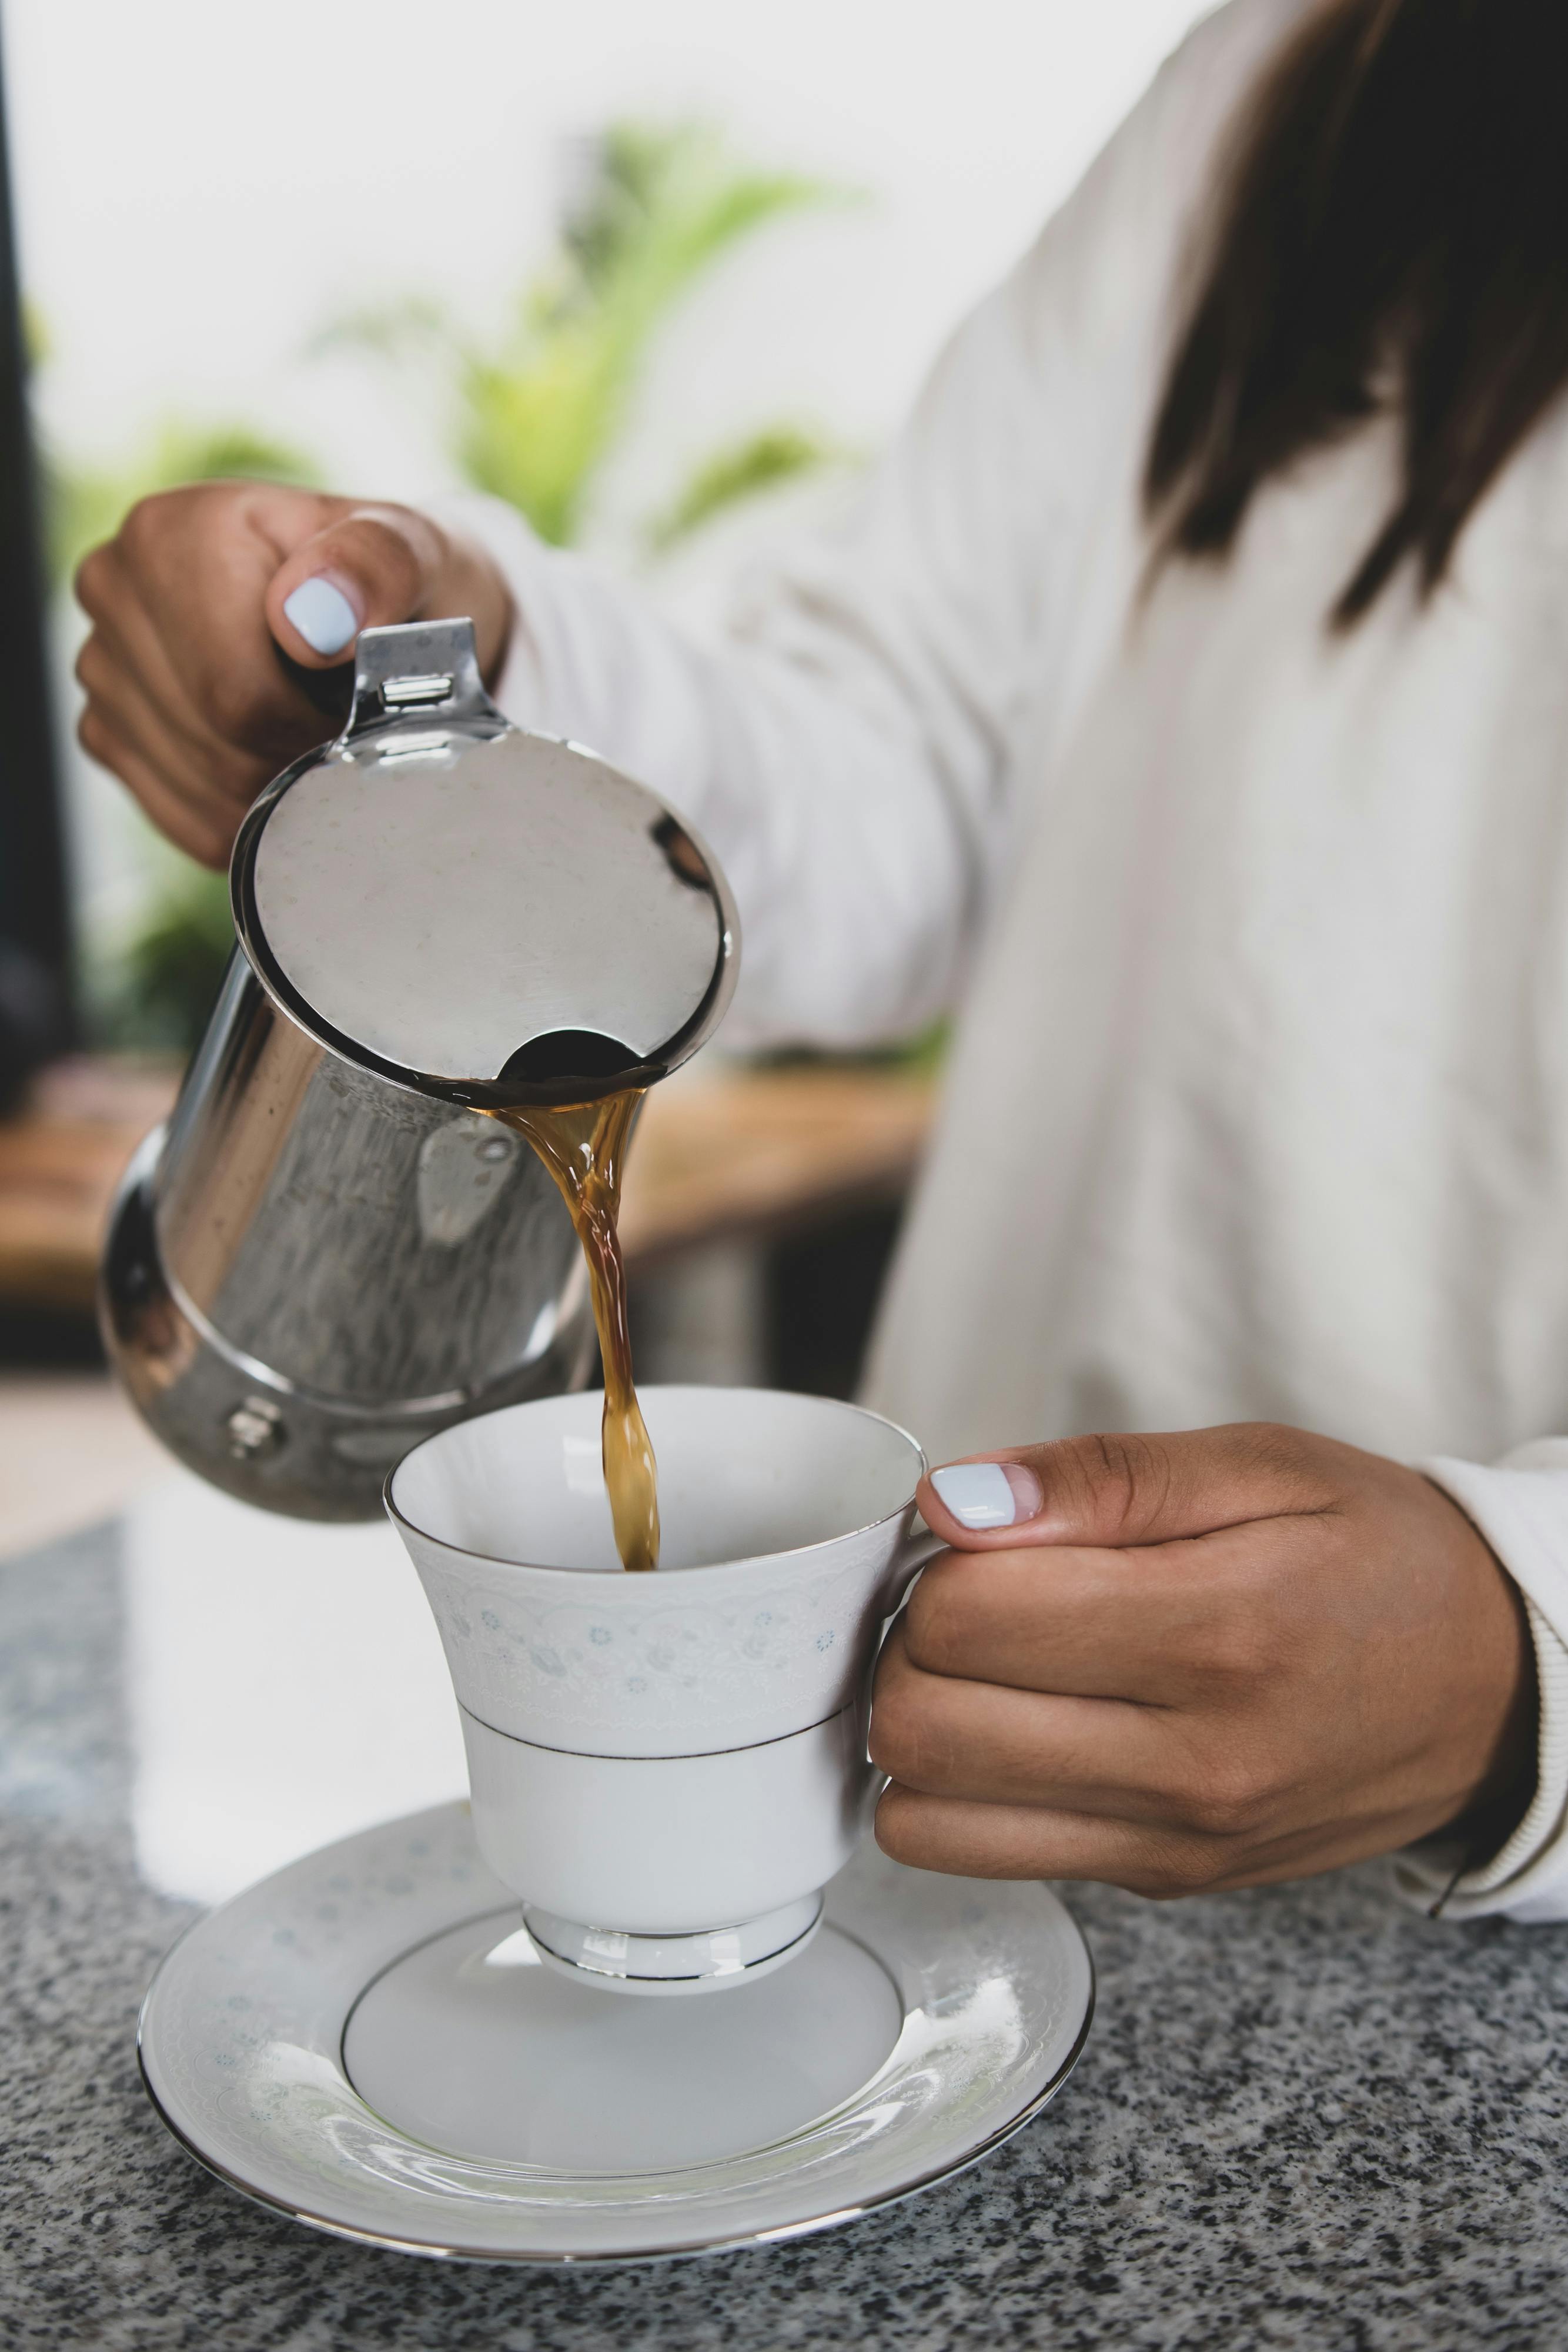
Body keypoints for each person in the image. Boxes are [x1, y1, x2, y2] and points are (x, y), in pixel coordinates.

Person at [73, 0, 1568, 1920]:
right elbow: (903, 761)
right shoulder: (1317, 77)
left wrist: (1518, 1655)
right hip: (951, 1788)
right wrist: (473, 688)